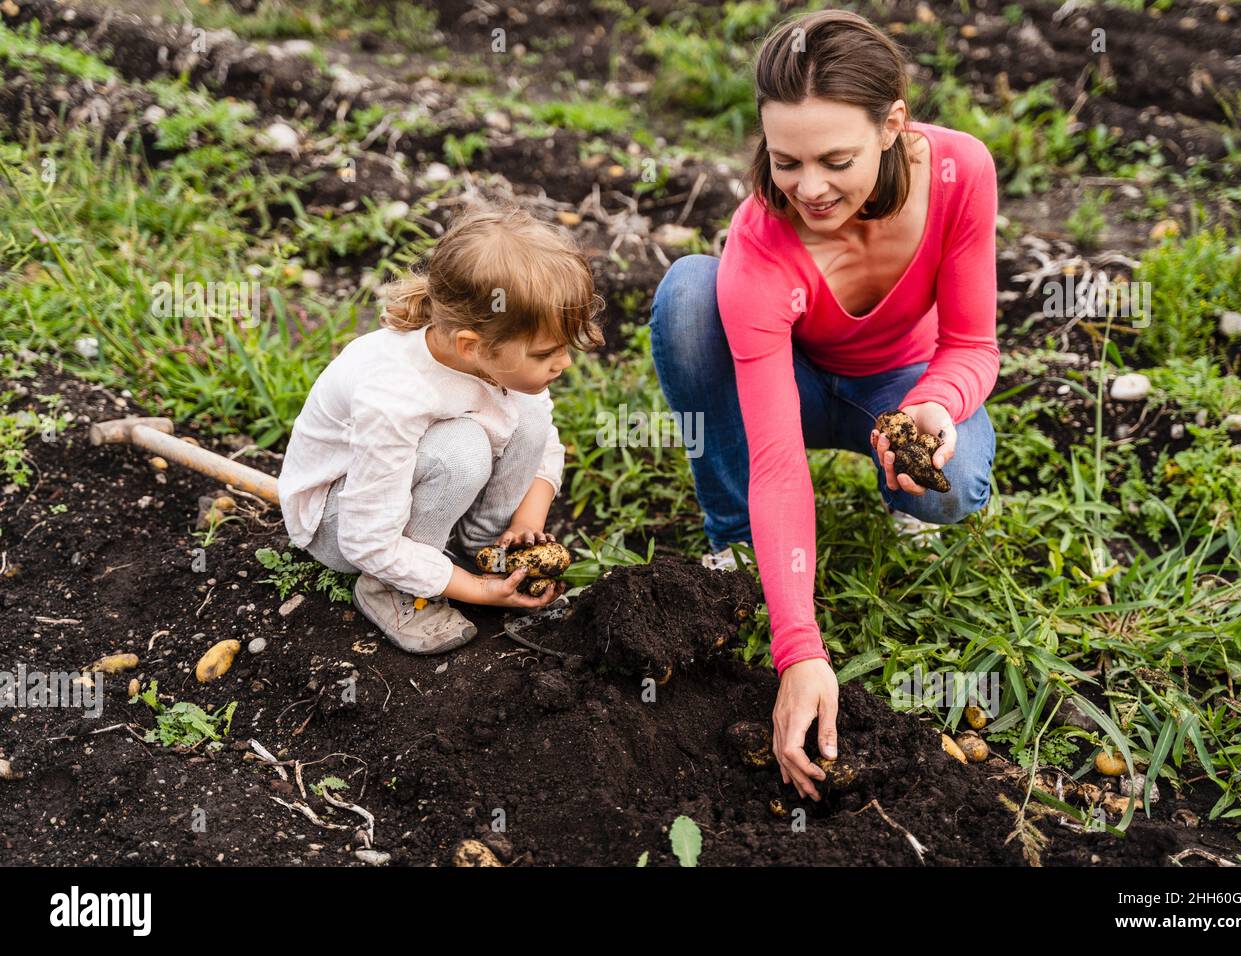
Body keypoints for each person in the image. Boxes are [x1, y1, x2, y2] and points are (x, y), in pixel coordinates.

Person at [650, 9, 999, 801]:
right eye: (786, 161)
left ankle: (903, 492)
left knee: (961, 487)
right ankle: (734, 542)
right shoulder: (763, 247)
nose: (809, 188)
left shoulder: (959, 172)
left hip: (902, 391)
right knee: (689, 296)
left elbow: (974, 345)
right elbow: (780, 464)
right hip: (792, 389)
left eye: (836, 159)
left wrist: (936, 409)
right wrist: (798, 649)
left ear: (893, 126)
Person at [279, 200, 605, 654]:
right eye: (545, 353)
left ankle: (485, 547)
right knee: (462, 451)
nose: (564, 362)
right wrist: (477, 592)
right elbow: (365, 538)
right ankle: (393, 590)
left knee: (527, 414)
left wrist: (527, 521)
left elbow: (543, 440)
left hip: (399, 496)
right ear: (473, 346)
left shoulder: (494, 362)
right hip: (343, 524)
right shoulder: (395, 394)